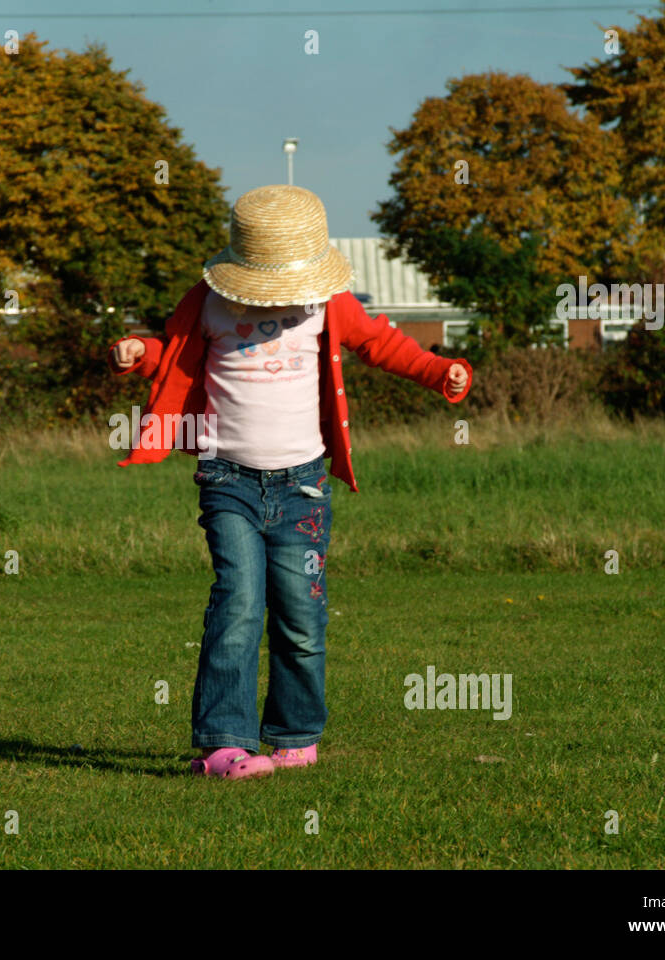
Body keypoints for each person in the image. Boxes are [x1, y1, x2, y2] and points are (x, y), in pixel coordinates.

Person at [110, 184, 472, 779]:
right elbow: (171, 353)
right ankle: (224, 744)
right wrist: (135, 351)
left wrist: (440, 371)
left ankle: (295, 735)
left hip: (302, 486)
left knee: (302, 614)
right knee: (238, 603)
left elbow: (381, 343)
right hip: (226, 478)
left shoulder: (328, 301)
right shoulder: (209, 300)